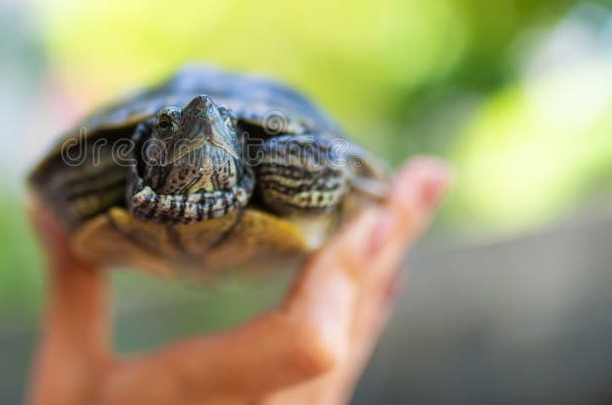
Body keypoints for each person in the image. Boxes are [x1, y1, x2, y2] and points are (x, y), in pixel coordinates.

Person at [26, 157, 451, 404]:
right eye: (171, 131)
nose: (201, 124)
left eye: (218, 131)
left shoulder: (269, 160)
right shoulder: (126, 162)